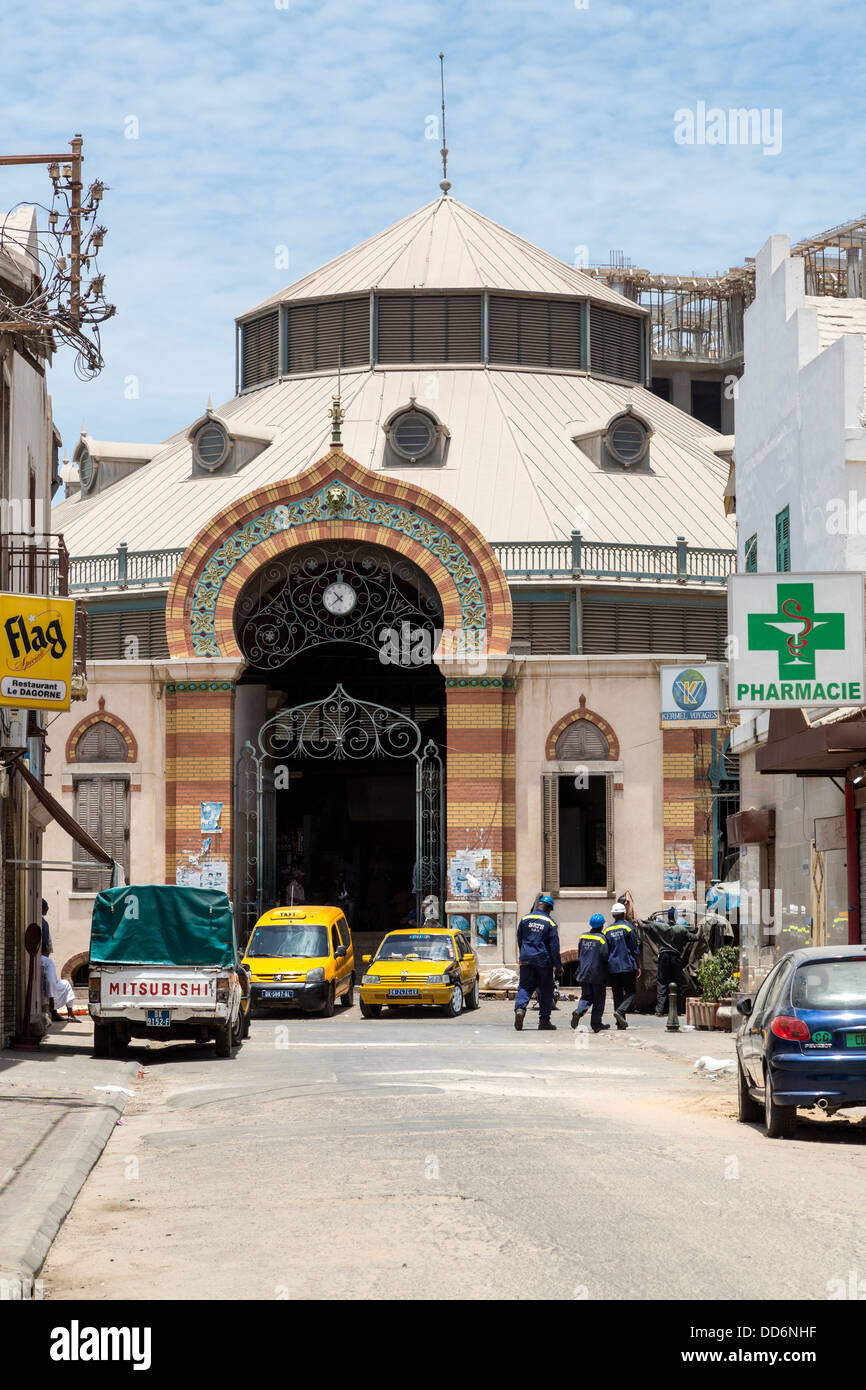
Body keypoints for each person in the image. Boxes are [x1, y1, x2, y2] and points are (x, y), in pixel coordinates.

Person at [514, 892, 561, 1032]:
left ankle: (520, 1009)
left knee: (525, 987)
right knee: (546, 990)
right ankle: (544, 1021)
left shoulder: (524, 918)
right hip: (543, 961)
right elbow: (554, 946)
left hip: (526, 959)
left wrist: (524, 954)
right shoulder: (550, 922)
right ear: (549, 908)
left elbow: (519, 938)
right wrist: (558, 965)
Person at [604, 902, 641, 1029]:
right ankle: (620, 1013)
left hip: (612, 967)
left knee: (617, 994)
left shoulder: (607, 930)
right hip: (627, 965)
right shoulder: (629, 928)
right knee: (631, 992)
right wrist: (638, 966)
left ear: (613, 915)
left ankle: (620, 1023)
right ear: (624, 913)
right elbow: (635, 949)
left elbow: (605, 950)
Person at [570, 914, 610, 1033]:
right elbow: (605, 956)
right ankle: (596, 1024)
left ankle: (578, 1011)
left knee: (586, 996)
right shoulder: (602, 939)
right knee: (599, 999)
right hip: (597, 973)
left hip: (583, 971)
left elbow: (580, 953)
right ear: (602, 925)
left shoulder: (583, 937)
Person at [654, 910, 697, 1016]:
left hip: (663, 958)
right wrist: (700, 929)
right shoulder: (681, 929)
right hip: (675, 958)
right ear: (676, 917)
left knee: (662, 983)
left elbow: (646, 926)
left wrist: (640, 922)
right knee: (678, 983)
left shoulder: (661, 927)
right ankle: (678, 1010)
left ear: (668, 917)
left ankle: (659, 1010)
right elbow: (695, 937)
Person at [40, 952, 77, 1022]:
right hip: (47, 989)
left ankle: (55, 1012)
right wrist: (51, 999)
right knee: (66, 983)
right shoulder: (47, 961)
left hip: (42, 987)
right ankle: (70, 1014)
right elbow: (50, 981)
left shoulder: (38, 959)